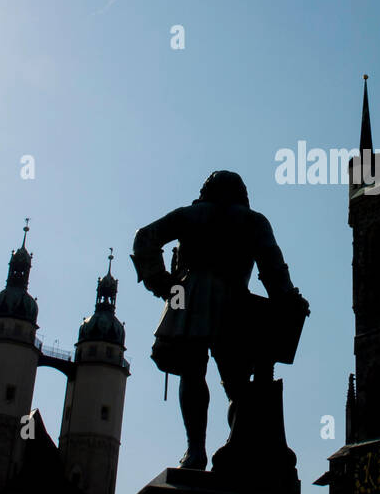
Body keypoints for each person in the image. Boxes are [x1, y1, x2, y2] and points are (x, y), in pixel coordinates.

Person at [131, 171, 308, 470]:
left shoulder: (190, 215)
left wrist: (163, 284)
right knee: (238, 383)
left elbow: (144, 238)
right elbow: (273, 268)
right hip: (234, 301)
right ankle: (238, 448)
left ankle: (195, 451)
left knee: (192, 371)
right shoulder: (253, 221)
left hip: (191, 296)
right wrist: (288, 299)